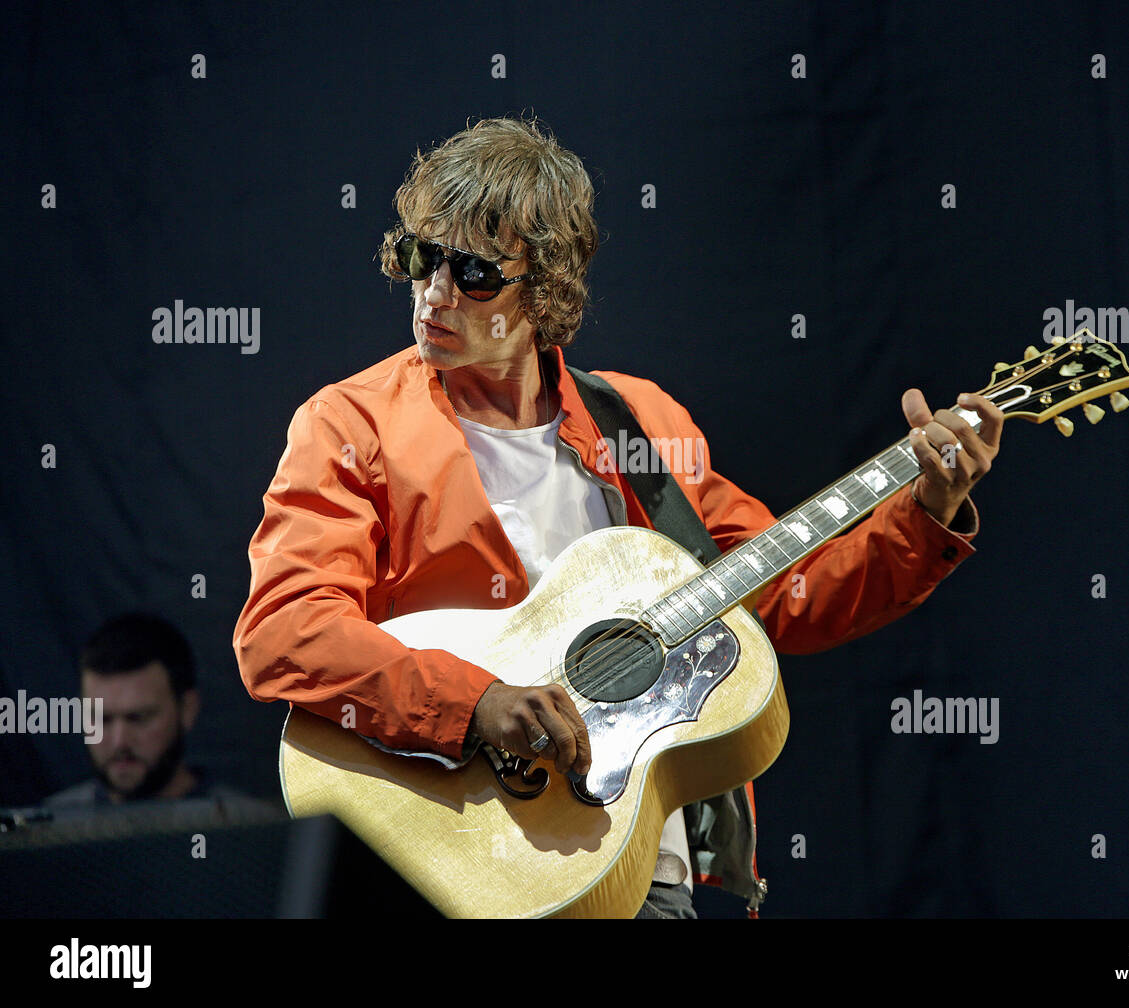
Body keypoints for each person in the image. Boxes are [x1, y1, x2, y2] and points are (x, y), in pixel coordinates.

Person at [233, 115, 1002, 918]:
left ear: (549, 285)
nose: (434, 293)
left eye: (474, 273)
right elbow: (285, 630)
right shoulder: (352, 425)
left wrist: (926, 511)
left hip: (639, 877)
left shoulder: (642, 424)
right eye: (422, 257)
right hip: (445, 875)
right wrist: (473, 702)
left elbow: (787, 597)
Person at [42, 612, 268, 820]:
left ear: (187, 709)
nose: (120, 741)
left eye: (139, 717)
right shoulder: (45, 831)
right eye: (101, 719)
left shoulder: (248, 829)